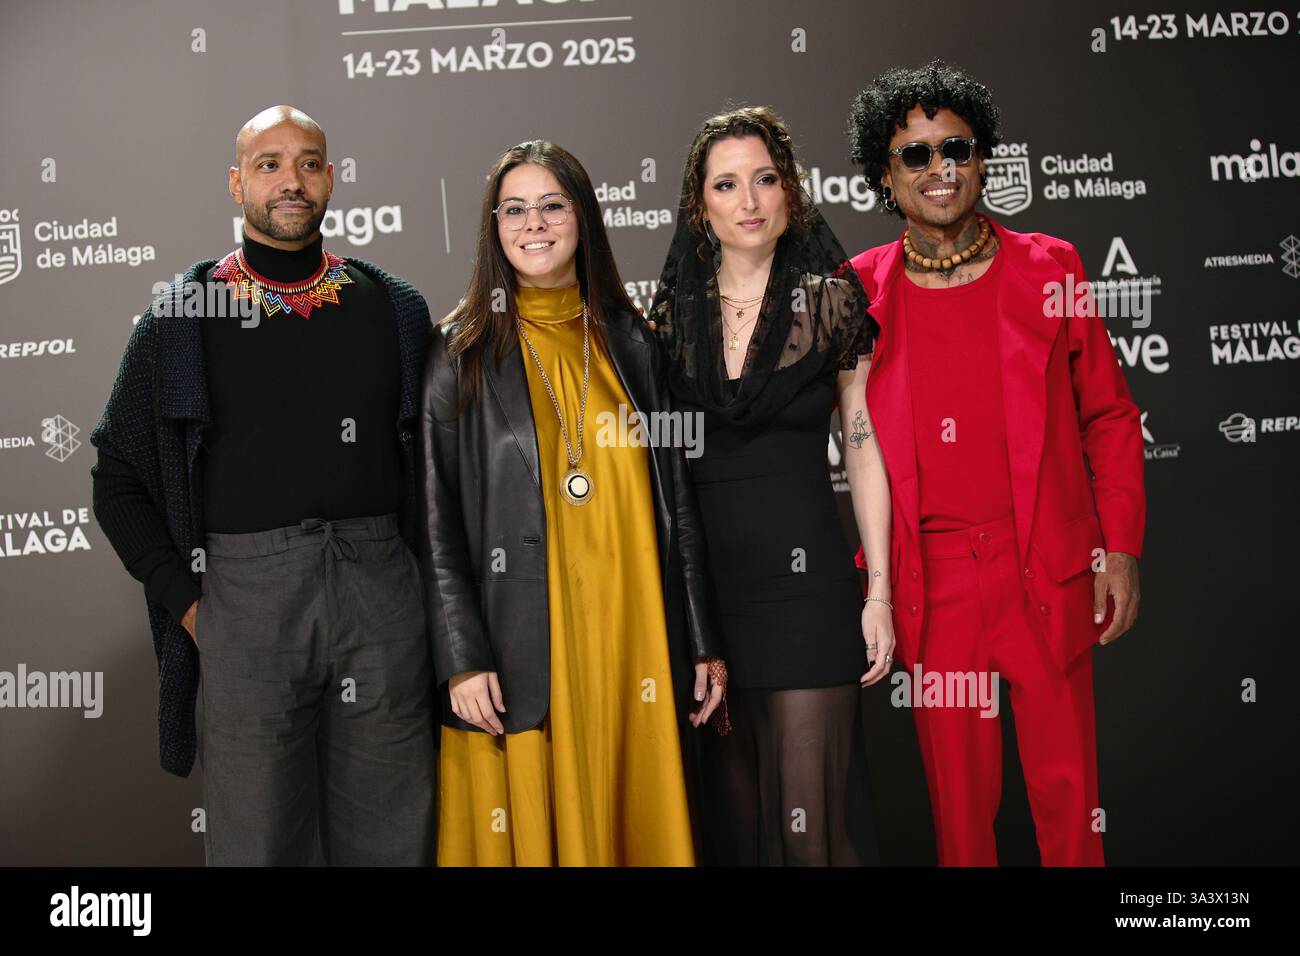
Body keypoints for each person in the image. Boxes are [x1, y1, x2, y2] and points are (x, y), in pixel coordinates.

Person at [89, 105, 436, 865]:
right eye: (270, 163)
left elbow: (439, 470)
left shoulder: (395, 309)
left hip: (380, 592)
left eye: (308, 162)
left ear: (332, 180)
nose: (291, 180)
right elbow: (116, 477)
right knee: (255, 843)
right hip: (243, 600)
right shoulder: (182, 313)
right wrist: (188, 605)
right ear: (236, 182)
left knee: (394, 835)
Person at [846, 61, 1145, 865]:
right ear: (884, 172)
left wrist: (1117, 547)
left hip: (1045, 565)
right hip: (935, 587)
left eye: (958, 147)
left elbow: (1111, 413)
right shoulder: (856, 293)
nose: (939, 168)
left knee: (1071, 800)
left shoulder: (1054, 267)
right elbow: (843, 439)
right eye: (915, 153)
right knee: (961, 818)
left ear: (983, 160)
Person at [420, 140, 725, 866]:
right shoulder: (456, 354)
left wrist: (702, 638)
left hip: (634, 646)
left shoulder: (634, 345)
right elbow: (432, 522)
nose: (535, 223)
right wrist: (461, 658)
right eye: (516, 208)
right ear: (494, 227)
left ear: (583, 217)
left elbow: (676, 506)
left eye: (553, 205)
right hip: (521, 650)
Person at [650, 106, 892, 866]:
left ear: (791, 194)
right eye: (728, 184)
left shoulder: (831, 304)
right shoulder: (666, 327)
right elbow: (656, 470)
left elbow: (860, 444)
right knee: (744, 836)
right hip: (709, 603)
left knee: (809, 832)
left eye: (766, 179)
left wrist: (878, 590)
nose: (749, 201)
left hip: (807, 594)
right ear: (701, 207)